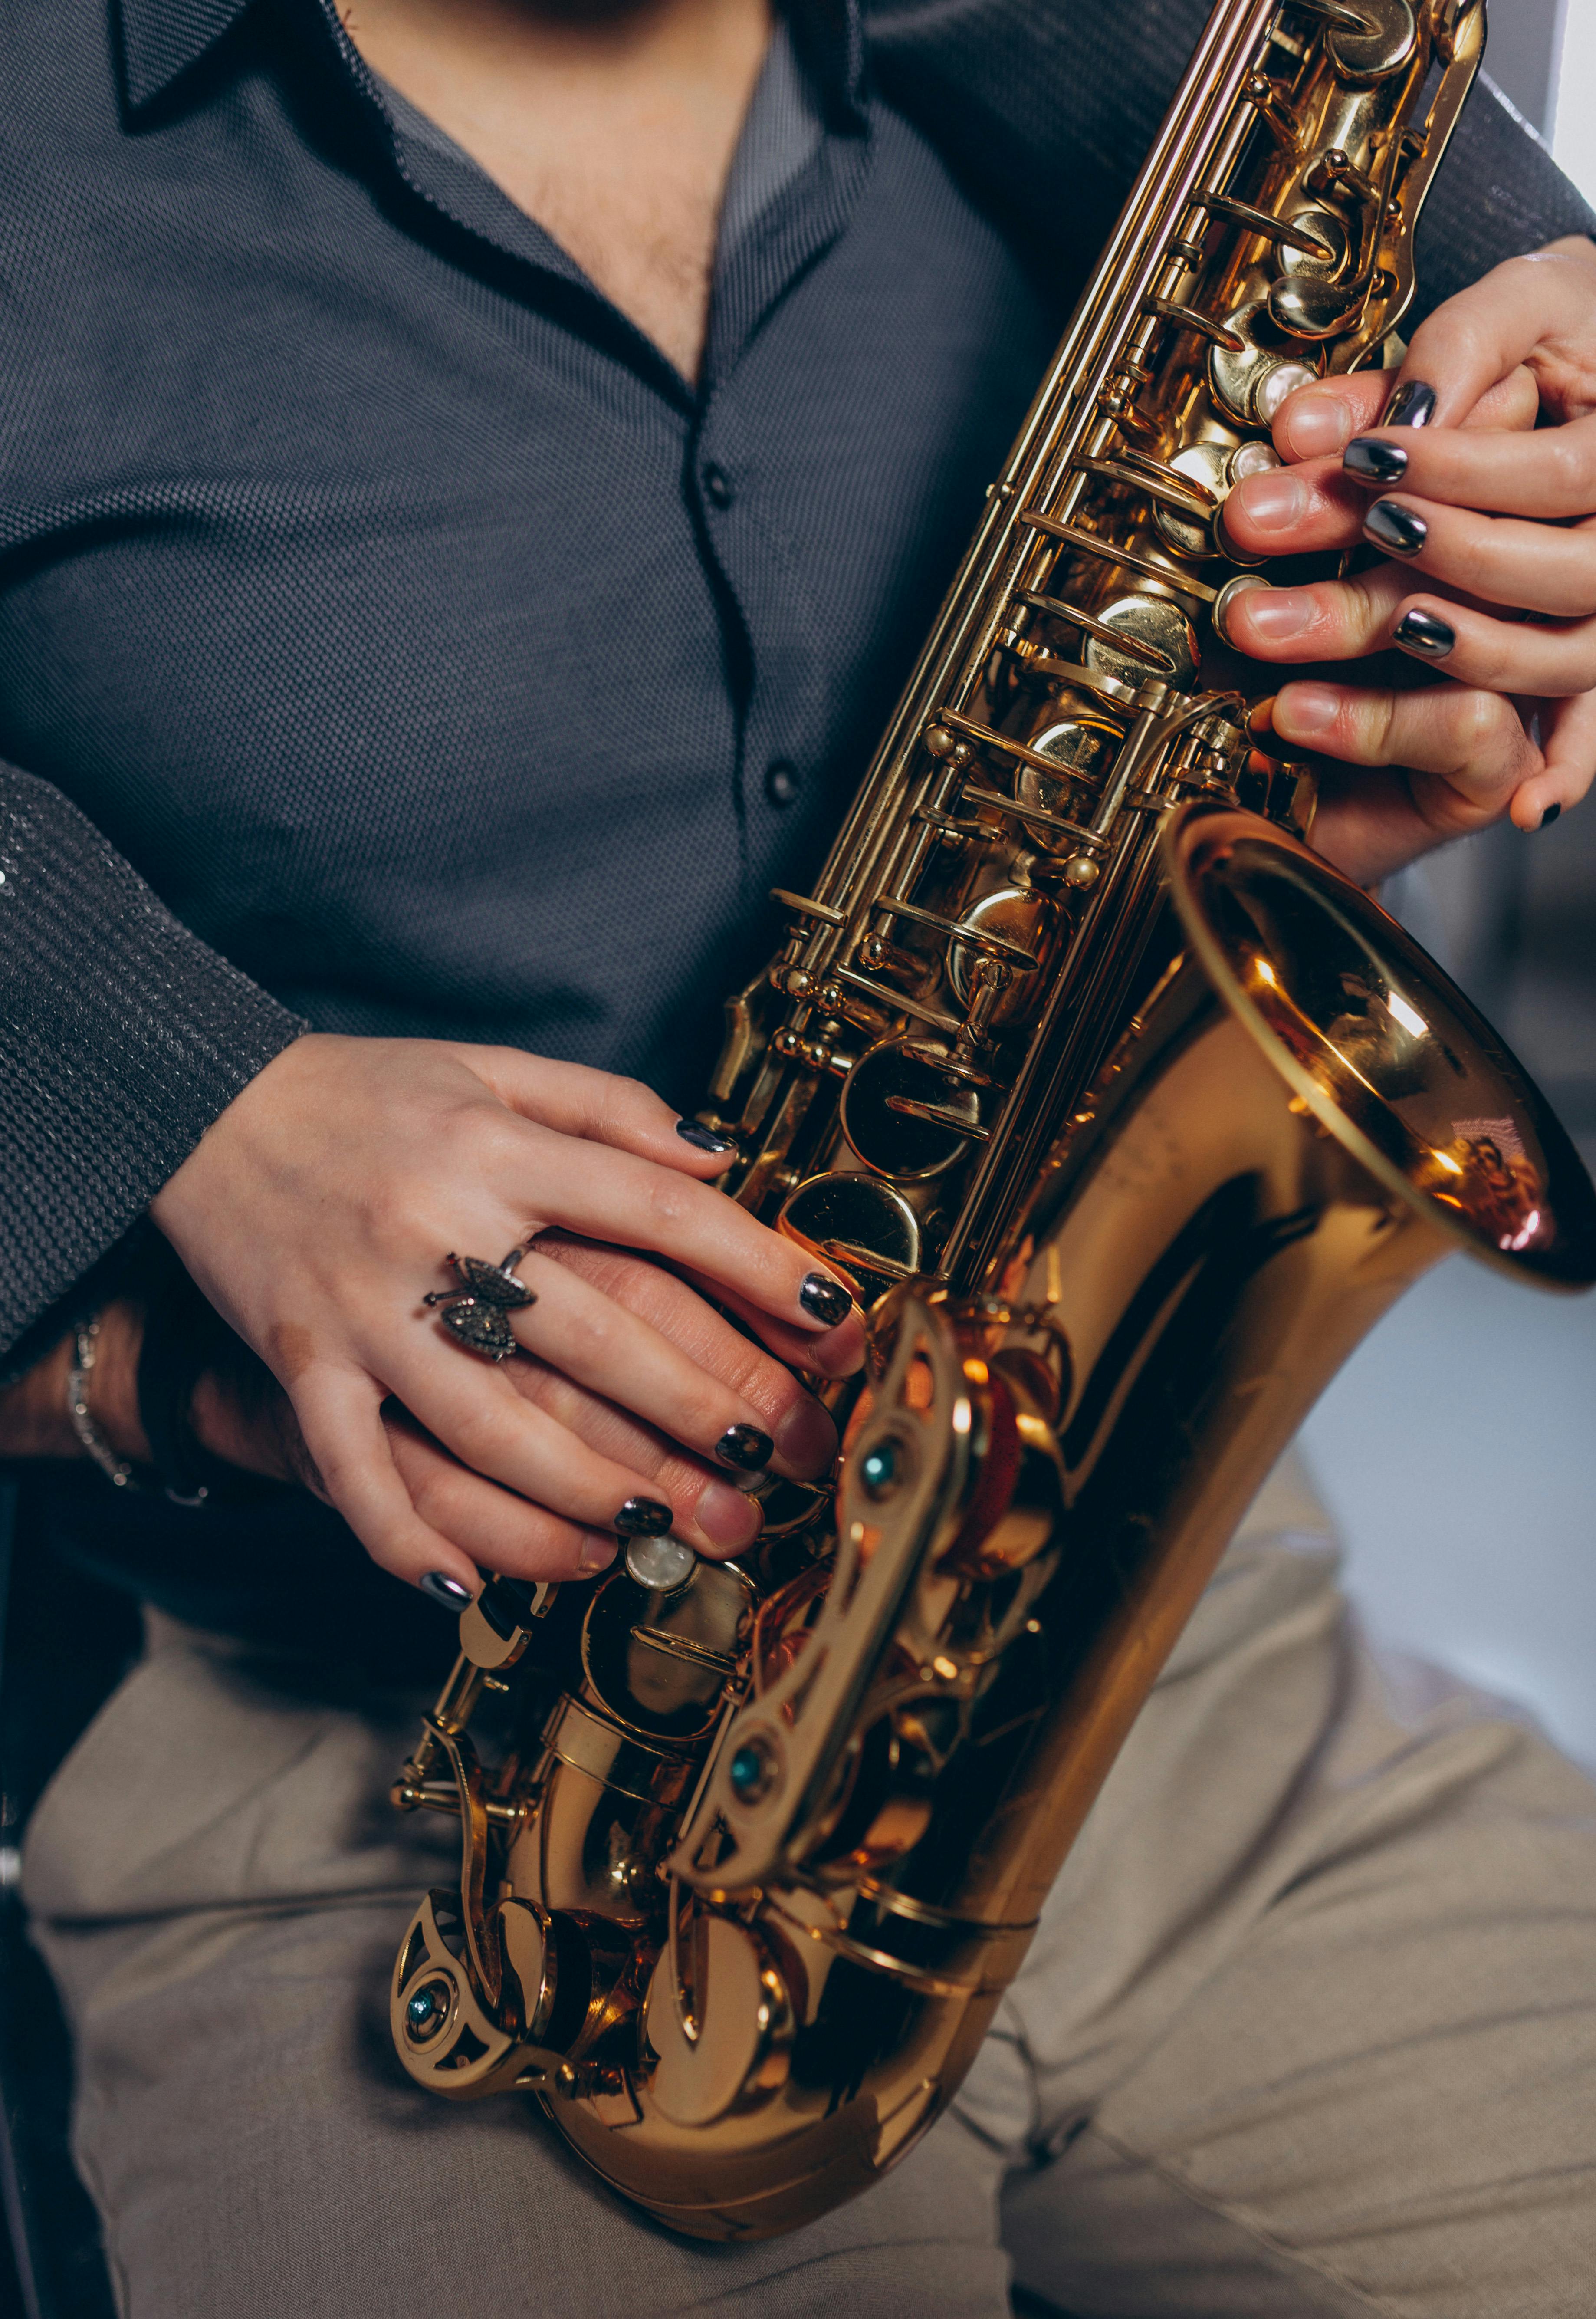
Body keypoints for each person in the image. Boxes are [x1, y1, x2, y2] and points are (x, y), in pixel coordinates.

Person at [2, 0, 1595, 2309]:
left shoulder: (1108, 47)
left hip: (1172, 1646)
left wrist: (1500, 492)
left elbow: (1461, 315)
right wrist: (199, 1139)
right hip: (434, 1826)